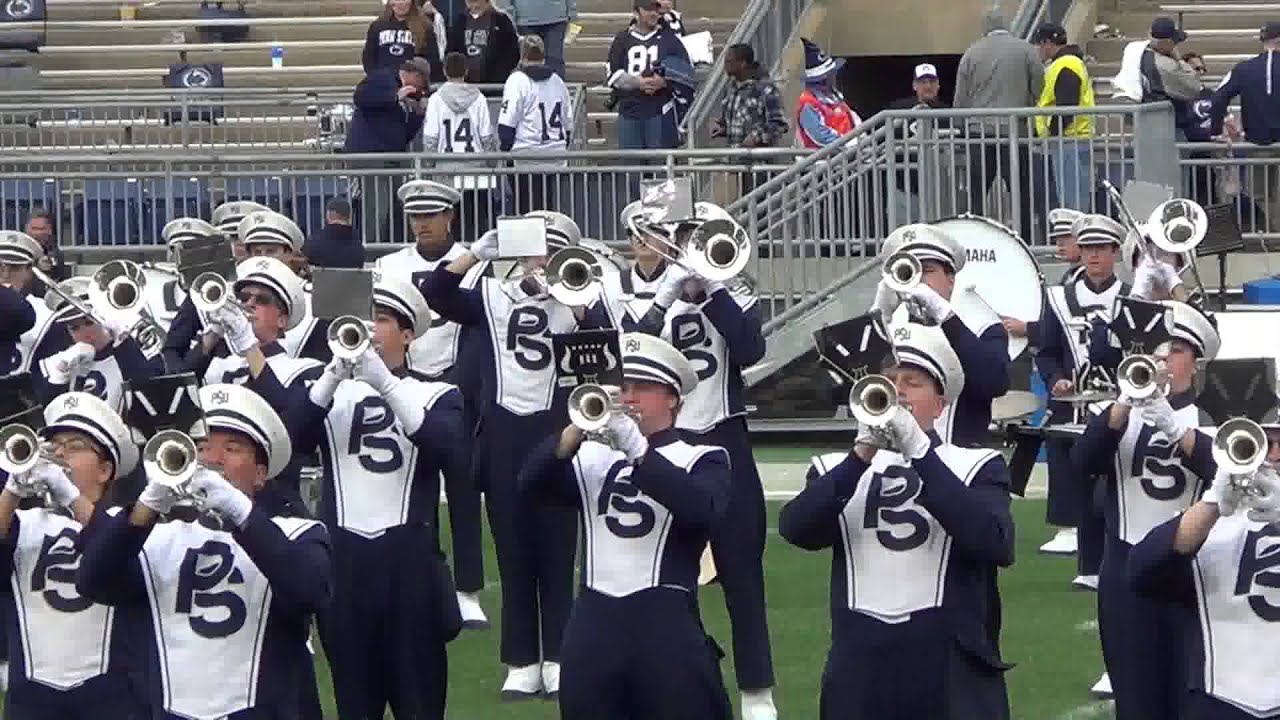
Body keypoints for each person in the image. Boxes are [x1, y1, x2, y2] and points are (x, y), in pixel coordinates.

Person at [593, 202, 777, 719]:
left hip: (721, 437)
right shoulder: (647, 295)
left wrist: (710, 289)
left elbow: (749, 349)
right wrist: (671, 291)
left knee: (742, 569)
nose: (694, 247)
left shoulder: (736, 290)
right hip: (663, 443)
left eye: (702, 238)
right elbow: (626, 354)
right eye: (686, 237)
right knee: (661, 569)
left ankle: (757, 691)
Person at [779, 321, 1014, 720]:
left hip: (947, 661)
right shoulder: (835, 466)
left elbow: (995, 542)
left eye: (913, 381)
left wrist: (920, 451)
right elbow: (797, 529)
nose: (898, 390)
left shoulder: (976, 464)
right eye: (889, 380)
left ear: (940, 405)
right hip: (861, 658)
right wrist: (860, 455)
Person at [76, 383, 332, 720]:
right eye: (201, 446)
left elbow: (309, 591)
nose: (212, 459)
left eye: (233, 447)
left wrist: (235, 507)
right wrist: (147, 505)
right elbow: (93, 581)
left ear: (260, 473)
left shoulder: (297, 532)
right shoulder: (155, 537)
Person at [519, 332, 733, 719]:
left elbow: (701, 510)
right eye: (624, 387)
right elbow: (529, 487)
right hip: (593, 626)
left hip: (665, 627)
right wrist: (573, 431)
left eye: (643, 388)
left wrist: (637, 450)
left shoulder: (703, 457)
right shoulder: (591, 457)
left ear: (673, 400)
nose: (629, 398)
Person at [419, 211, 588, 698]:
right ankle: (521, 659)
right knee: (513, 555)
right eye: (536, 249)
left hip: (558, 435)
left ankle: (558, 656)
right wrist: (476, 252)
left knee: (558, 553)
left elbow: (605, 348)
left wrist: (576, 304)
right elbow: (436, 295)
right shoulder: (492, 295)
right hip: (503, 437)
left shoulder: (575, 298)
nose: (542, 260)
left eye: (552, 251)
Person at [293, 275, 465, 719]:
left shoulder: (437, 392)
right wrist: (334, 372)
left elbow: (448, 449)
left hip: (409, 568)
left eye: (382, 319)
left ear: (408, 335)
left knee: (420, 705)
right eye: (365, 317)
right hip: (345, 568)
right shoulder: (324, 388)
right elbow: (290, 439)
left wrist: (385, 383)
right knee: (355, 706)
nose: (369, 328)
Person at [1072, 301, 1220, 720]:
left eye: (1173, 350)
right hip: (1125, 575)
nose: (1161, 360)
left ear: (1195, 360)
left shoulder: (1212, 419)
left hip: (1194, 575)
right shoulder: (1115, 413)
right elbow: (1082, 465)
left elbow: (1221, 468)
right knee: (1136, 701)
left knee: (1191, 697)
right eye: (1154, 350)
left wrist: (1173, 426)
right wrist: (1125, 403)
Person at [376, 179, 491, 628]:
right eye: (416, 215)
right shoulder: (389, 264)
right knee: (407, 486)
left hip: (453, 381)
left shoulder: (473, 262)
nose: (422, 223)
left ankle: (467, 590)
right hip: (402, 380)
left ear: (450, 217)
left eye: (431, 214)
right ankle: (417, 578)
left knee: (462, 486)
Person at [0, 392, 143, 720]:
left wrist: (69, 494)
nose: (60, 455)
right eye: (54, 446)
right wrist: (13, 487)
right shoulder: (23, 523)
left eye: (75, 446)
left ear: (105, 469)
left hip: (111, 700)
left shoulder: (128, 523)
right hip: (31, 700)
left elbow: (116, 550)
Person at [1129, 422, 1280, 720]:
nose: (1274, 456)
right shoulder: (1206, 527)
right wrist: (1213, 501)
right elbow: (1140, 573)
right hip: (1224, 702)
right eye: (1266, 443)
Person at [1035, 214, 1129, 569]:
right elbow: (1045, 352)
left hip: (1120, 406)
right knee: (1076, 477)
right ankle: (1086, 559)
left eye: (1101, 249)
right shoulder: (1058, 298)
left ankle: (1115, 547)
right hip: (1073, 407)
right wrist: (1055, 378)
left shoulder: (1132, 297)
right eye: (1088, 248)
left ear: (1115, 252)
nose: (1093, 256)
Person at [871, 223, 1011, 447]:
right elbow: (851, 386)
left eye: (927, 270)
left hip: (958, 455)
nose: (918, 280)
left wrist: (943, 315)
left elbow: (995, 383)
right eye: (909, 270)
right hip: (892, 457)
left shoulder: (981, 324)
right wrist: (879, 316)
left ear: (950, 279)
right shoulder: (887, 324)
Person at [954, 10, 1047, 242]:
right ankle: (1025, 240)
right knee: (1022, 192)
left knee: (977, 193)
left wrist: (961, 128)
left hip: (979, 134)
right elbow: (1039, 84)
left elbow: (961, 98)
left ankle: (975, 240)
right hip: (1015, 132)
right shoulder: (1025, 50)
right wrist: (1027, 106)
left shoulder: (971, 53)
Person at [35, 277, 159, 412]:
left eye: (89, 323)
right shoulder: (65, 360)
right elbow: (50, 413)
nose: (85, 334)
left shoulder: (131, 352)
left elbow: (150, 398)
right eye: (74, 328)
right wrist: (60, 375)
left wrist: (124, 343)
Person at [345, 58, 431, 247]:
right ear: (414, 75)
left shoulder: (404, 99)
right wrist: (394, 96)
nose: (420, 90)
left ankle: (392, 246)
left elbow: (402, 136)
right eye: (421, 84)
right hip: (371, 156)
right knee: (376, 208)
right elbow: (360, 97)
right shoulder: (383, 77)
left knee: (396, 207)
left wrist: (417, 115)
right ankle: (371, 249)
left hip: (391, 159)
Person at [1210, 21, 1280, 224]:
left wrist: (1217, 128)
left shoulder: (1244, 69)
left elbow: (1218, 98)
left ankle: (1270, 233)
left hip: (1258, 142)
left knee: (1260, 193)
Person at [425, 51, 499, 243]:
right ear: (466, 71)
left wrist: (430, 165)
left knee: (448, 225)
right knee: (477, 223)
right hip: (475, 168)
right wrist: (491, 163)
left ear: (444, 71)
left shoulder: (436, 99)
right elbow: (487, 137)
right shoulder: (479, 98)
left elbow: (430, 139)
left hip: (445, 170)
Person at [606, 1, 696, 151]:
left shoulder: (670, 40)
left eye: (656, 9)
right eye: (648, 9)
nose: (653, 13)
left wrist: (664, 81)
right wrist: (639, 83)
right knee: (632, 169)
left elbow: (686, 75)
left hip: (659, 112)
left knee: (660, 168)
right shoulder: (622, 40)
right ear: (636, 12)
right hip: (629, 113)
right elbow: (613, 75)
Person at [499, 34, 574, 213]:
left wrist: (505, 150)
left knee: (526, 211)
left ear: (522, 56)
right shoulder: (557, 81)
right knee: (551, 211)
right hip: (555, 156)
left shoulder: (517, 80)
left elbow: (507, 126)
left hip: (526, 155)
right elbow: (568, 125)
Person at [1032, 22, 1095, 213]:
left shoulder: (1065, 65)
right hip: (1072, 138)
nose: (1038, 50)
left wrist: (1052, 134)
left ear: (1047, 43)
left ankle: (1075, 241)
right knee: (1074, 198)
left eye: (1039, 44)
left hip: (1068, 140)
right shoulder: (1071, 63)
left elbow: (1066, 107)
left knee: (1072, 202)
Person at [1001, 207, 1083, 349]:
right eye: (1057, 239)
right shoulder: (1070, 276)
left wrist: (1027, 328)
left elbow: (1065, 326)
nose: (1059, 245)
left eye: (1065, 238)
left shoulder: (1082, 281)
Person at [712, 43, 788, 195]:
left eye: (729, 62)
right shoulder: (730, 88)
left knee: (760, 211)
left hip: (760, 165)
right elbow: (737, 120)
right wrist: (723, 129)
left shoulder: (765, 89)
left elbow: (779, 124)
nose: (725, 66)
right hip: (739, 164)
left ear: (743, 63)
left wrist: (756, 136)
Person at [0, 231, 63, 380]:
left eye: (15, 268)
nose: (6, 275)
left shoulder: (47, 313)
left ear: (29, 272)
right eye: (1, 267)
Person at [795, 38, 860, 148]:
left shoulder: (834, 95)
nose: (833, 77)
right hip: (822, 160)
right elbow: (819, 135)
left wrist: (860, 135)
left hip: (845, 157)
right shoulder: (807, 101)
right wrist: (847, 143)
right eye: (830, 74)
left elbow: (851, 119)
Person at [362, 0, 446, 81]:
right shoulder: (377, 26)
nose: (401, 3)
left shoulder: (425, 26)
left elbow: (433, 58)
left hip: (414, 84)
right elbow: (368, 58)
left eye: (404, 0)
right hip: (383, 83)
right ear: (390, 2)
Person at [446, 0, 520, 84]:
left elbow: (513, 52)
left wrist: (500, 74)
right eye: (470, 2)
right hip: (465, 84)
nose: (474, 6)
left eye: (476, 1)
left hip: (495, 84)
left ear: (487, 1)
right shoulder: (460, 21)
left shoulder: (501, 20)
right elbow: (451, 51)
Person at [505, 0, 575, 79]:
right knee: (529, 63)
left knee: (554, 62)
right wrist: (508, 11)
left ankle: (555, 89)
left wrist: (571, 10)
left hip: (556, 18)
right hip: (525, 18)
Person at [302, 198, 364, 270]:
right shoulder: (358, 249)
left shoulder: (313, 243)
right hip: (350, 281)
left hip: (322, 281)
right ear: (349, 217)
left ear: (328, 214)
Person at [24, 209, 66, 298]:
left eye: (41, 229)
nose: (37, 233)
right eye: (34, 229)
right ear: (26, 229)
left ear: (50, 230)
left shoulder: (56, 255)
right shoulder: (19, 252)